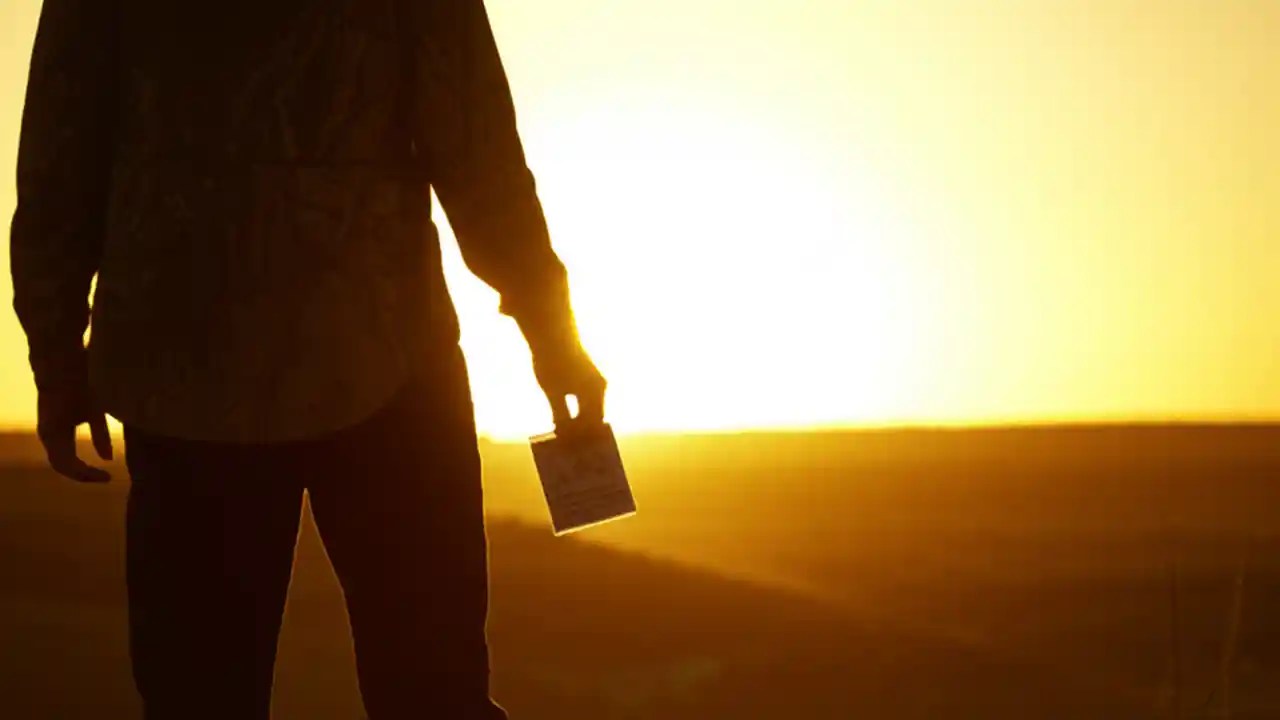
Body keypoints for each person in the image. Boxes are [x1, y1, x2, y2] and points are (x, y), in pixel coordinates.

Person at [10, 0, 606, 717]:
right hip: (381, 358)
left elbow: (61, 150)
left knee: (200, 697)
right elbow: (476, 149)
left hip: (189, 367)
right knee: (432, 694)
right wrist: (549, 329)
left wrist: (55, 346)